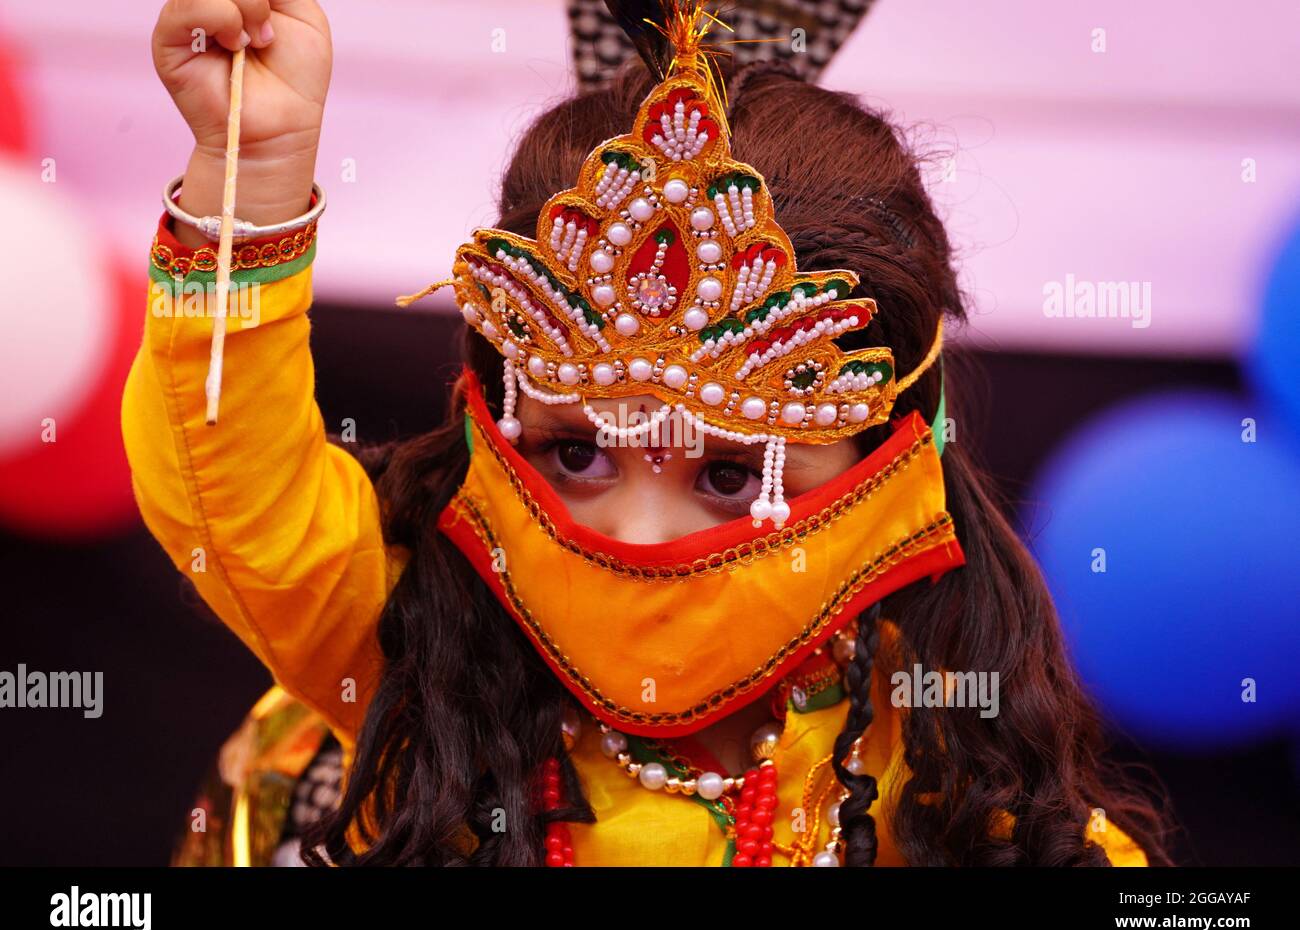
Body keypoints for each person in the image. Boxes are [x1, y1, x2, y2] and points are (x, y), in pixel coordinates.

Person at [128, 0, 1173, 866]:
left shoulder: (944, 766)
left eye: (733, 471)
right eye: (575, 453)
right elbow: (240, 504)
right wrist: (251, 177)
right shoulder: (417, 655)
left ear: (893, 463)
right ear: (491, 422)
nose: (636, 528)